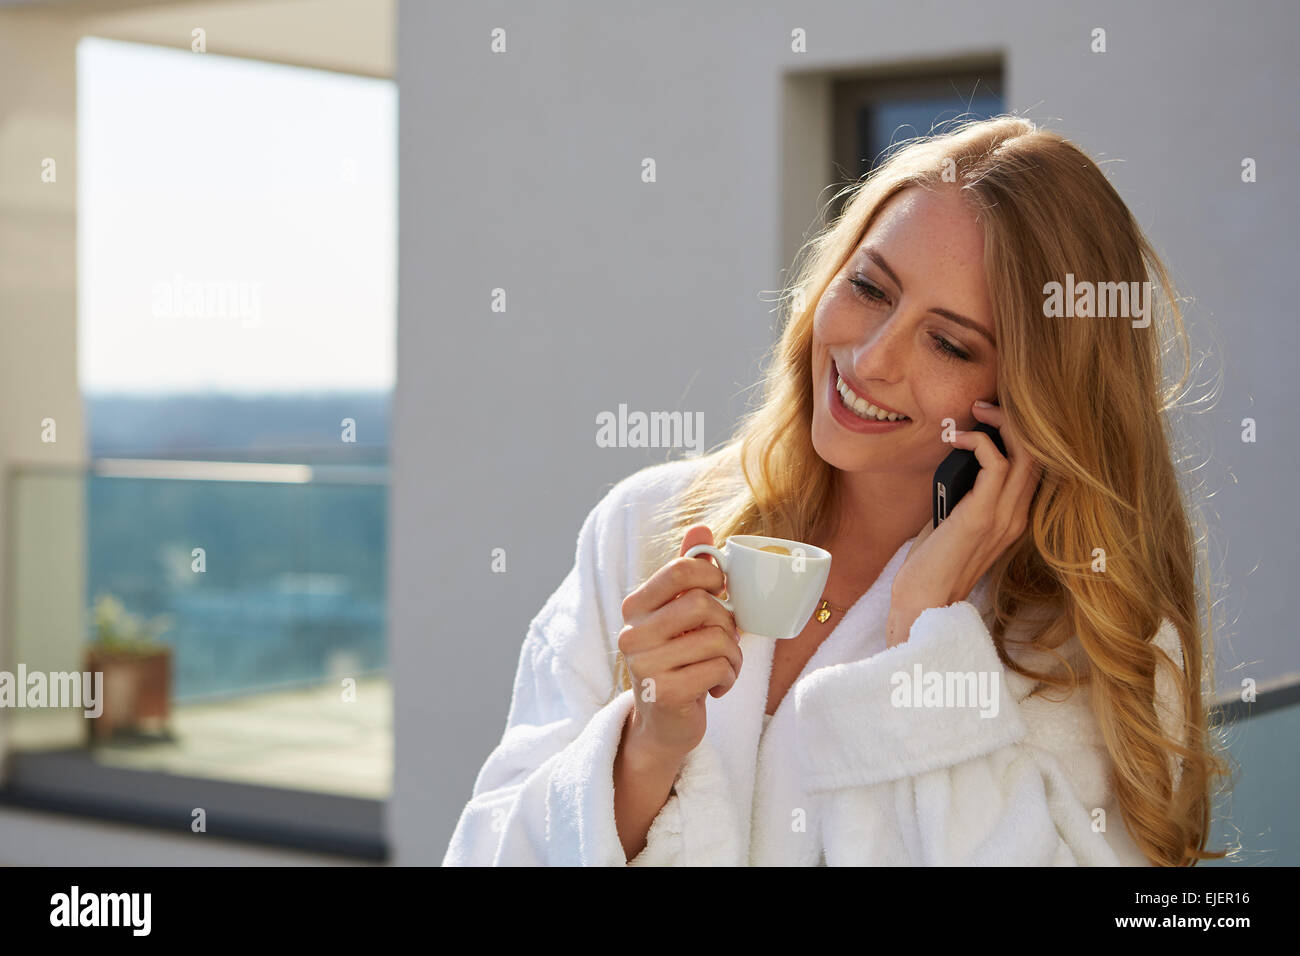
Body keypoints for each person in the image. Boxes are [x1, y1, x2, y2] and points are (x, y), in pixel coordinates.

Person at [442, 115, 1228, 866]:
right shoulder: (644, 529)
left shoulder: (1080, 641)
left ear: (1032, 399)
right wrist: (643, 752)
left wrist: (927, 640)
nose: (873, 359)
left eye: (950, 343)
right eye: (871, 288)